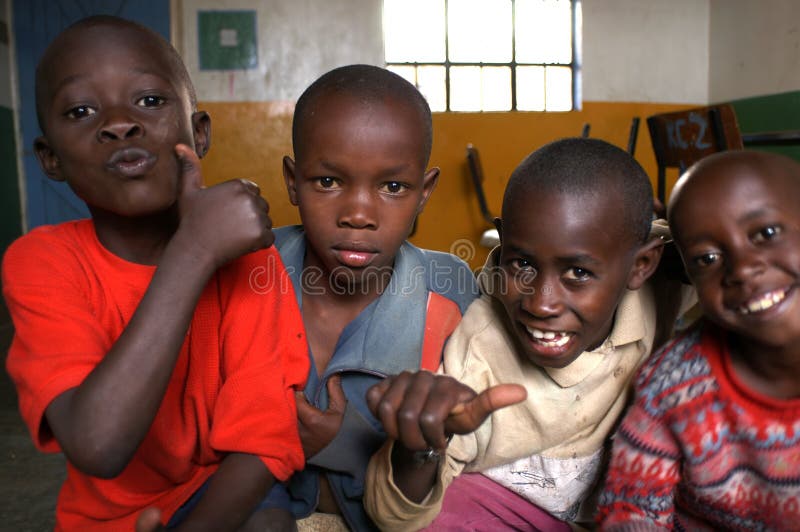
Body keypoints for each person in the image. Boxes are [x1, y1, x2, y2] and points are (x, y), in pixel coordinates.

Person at [2, 16, 308, 531]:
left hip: (218, 496)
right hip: (104, 520)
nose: (120, 123)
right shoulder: (41, 262)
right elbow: (98, 444)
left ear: (200, 133)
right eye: (81, 110)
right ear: (51, 159)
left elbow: (261, 446)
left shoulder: (250, 261)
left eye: (149, 101)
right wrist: (193, 251)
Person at [363, 137, 696, 530]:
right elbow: (390, 516)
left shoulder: (664, 279)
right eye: (521, 263)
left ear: (642, 266)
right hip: (500, 506)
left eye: (578, 273)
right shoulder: (478, 352)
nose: (540, 304)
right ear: (503, 244)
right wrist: (417, 449)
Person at [258, 64, 480, 531]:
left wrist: (340, 442)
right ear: (292, 182)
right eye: (328, 182)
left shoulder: (449, 291)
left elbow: (460, 461)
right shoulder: (251, 268)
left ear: (425, 192)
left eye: (392, 187)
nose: (358, 214)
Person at [597, 150, 800, 530]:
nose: (741, 268)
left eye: (766, 234)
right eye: (706, 258)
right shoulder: (673, 386)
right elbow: (631, 507)